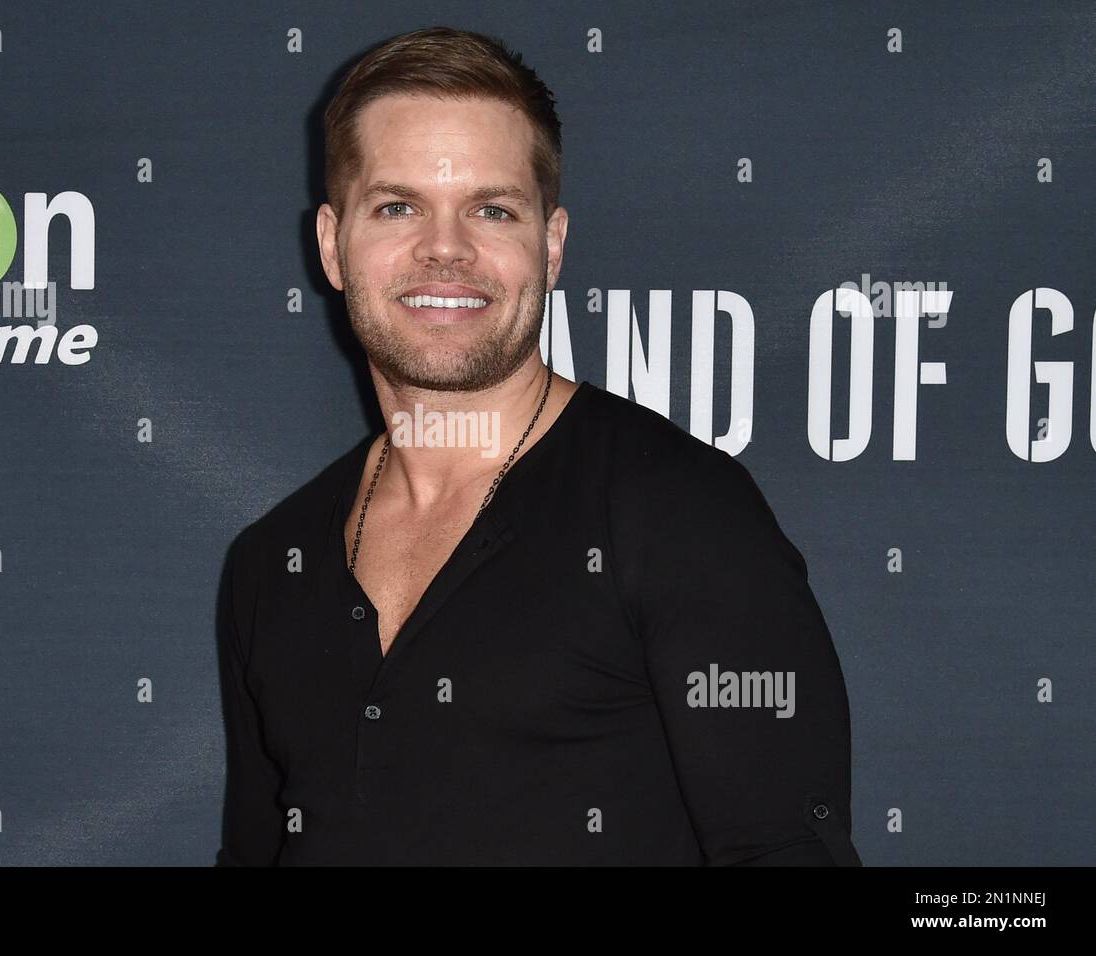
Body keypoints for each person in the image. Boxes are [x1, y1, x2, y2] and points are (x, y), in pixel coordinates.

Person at [215, 25, 862, 865]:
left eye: (490, 208)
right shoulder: (274, 562)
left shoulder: (680, 514)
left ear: (551, 247)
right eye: (398, 206)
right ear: (333, 246)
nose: (444, 249)